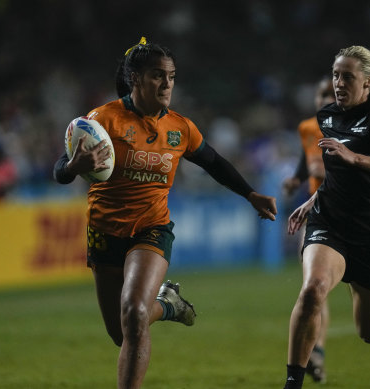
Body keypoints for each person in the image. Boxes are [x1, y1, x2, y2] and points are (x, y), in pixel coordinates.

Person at [53, 36, 277, 389]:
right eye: (158, 75)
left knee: (135, 314)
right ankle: (169, 304)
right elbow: (60, 171)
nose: (167, 83)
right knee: (121, 332)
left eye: (171, 76)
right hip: (104, 232)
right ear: (136, 78)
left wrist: (250, 194)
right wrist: (73, 167)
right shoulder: (103, 119)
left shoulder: (180, 128)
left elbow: (214, 162)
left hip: (151, 229)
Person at [282, 45, 370, 389]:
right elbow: (338, 176)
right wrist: (314, 199)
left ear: (368, 82)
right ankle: (292, 383)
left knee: (369, 330)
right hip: (330, 221)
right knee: (313, 290)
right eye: (335, 75)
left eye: (347, 77)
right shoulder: (327, 117)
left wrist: (356, 157)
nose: (338, 83)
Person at [281, 76, 336, 383]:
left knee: (367, 316)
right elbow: (307, 161)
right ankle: (317, 354)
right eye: (321, 95)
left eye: (330, 95)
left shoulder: (347, 131)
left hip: (350, 216)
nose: (325, 100)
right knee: (315, 290)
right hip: (318, 214)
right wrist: (296, 179)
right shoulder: (307, 129)